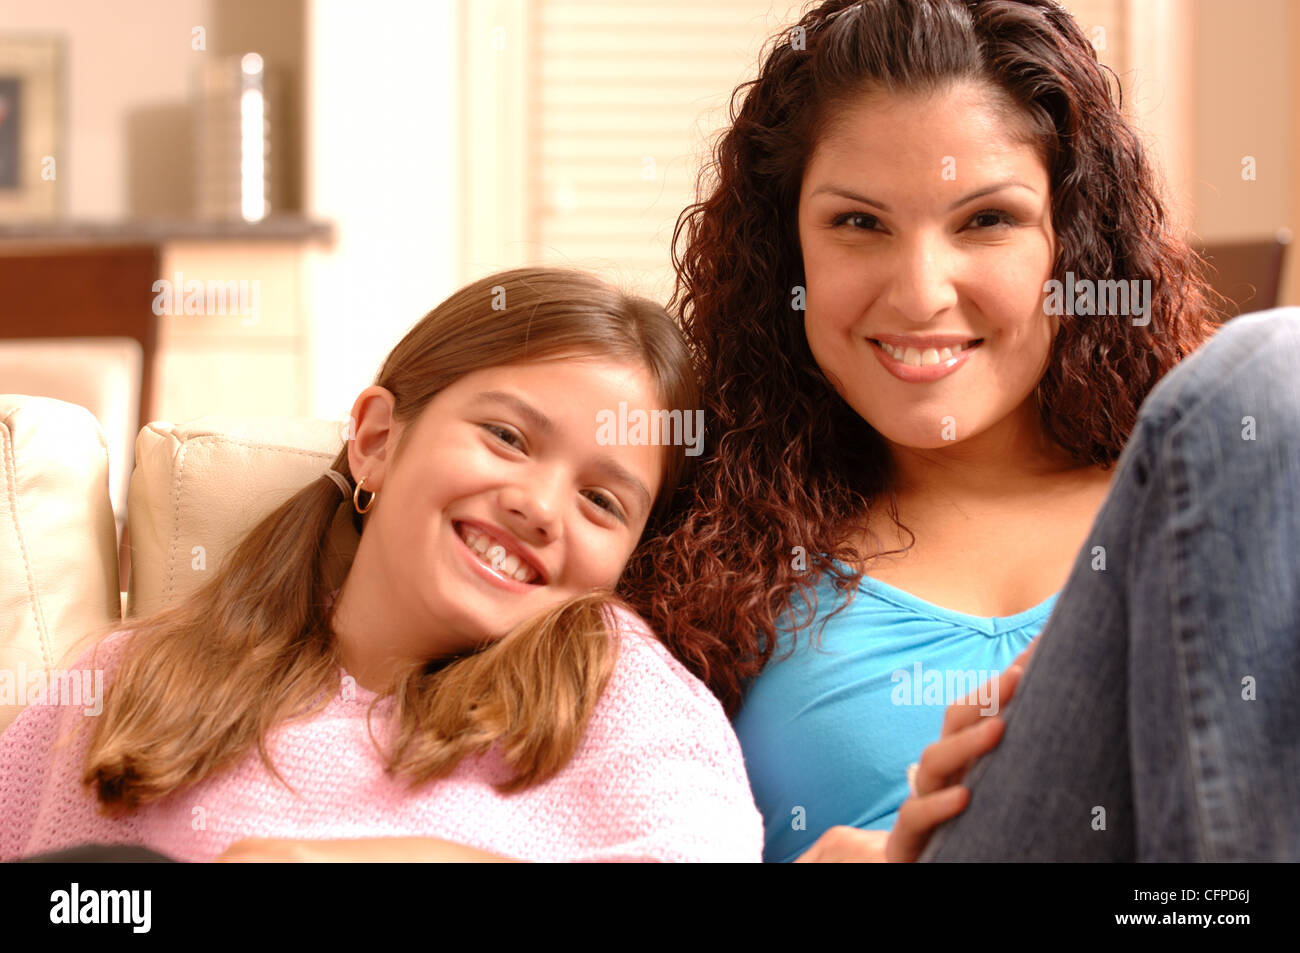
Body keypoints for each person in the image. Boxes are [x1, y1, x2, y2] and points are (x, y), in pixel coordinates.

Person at [617, 0, 1298, 861]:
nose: (921, 293)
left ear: (1073, 245)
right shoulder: (691, 543)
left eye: (987, 220)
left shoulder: (1201, 507)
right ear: (787, 254)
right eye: (859, 223)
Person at [0, 267, 763, 864]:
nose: (539, 505)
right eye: (507, 436)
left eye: (601, 500)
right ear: (376, 439)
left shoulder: (617, 689)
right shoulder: (136, 679)